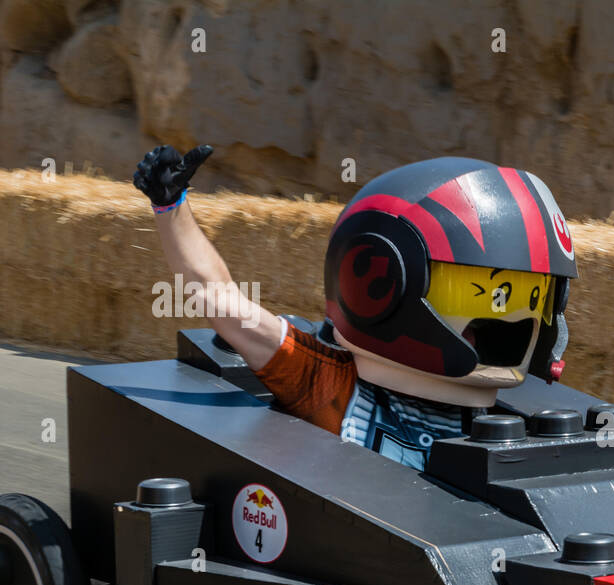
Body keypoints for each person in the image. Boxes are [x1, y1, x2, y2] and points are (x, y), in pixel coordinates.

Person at [133, 145, 577, 470]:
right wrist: (170, 206)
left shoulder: (506, 421)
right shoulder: (324, 383)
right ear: (382, 284)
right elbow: (221, 300)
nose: (512, 319)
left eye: (530, 296)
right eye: (486, 296)